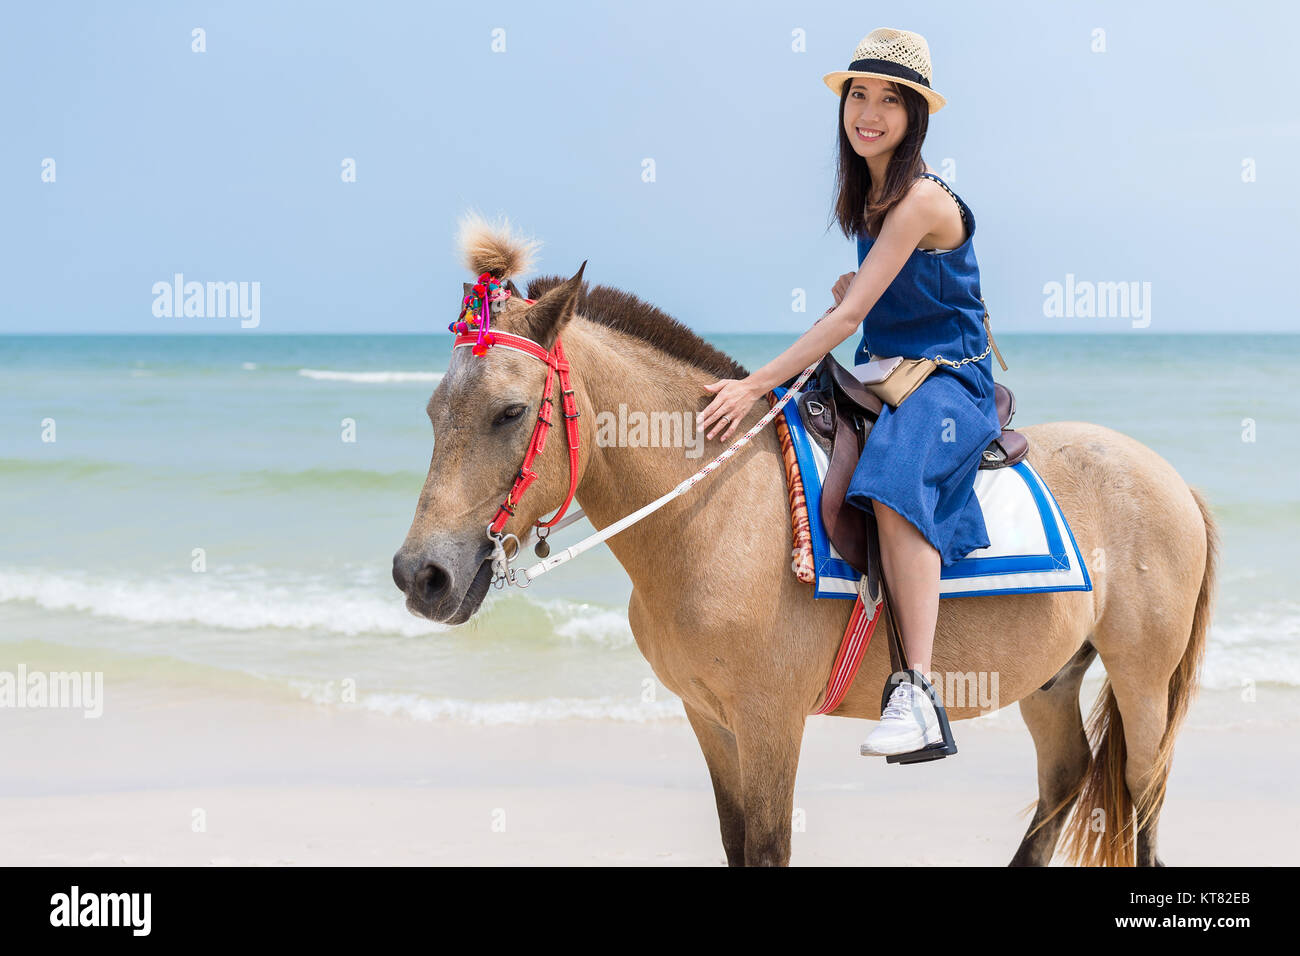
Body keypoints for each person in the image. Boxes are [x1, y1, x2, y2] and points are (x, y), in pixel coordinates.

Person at [696, 27, 1002, 760]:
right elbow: (877, 300)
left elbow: (848, 319)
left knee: (894, 478)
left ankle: (917, 691)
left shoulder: (923, 198)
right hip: (888, 367)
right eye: (857, 95)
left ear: (914, 117)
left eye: (888, 101)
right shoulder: (872, 194)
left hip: (950, 379)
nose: (868, 112)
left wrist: (755, 382)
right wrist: (863, 292)